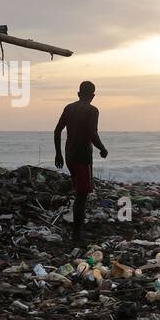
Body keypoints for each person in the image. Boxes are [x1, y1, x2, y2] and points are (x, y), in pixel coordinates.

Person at [54, 81, 108, 243]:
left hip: (69, 155)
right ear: (92, 95)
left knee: (78, 192)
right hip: (83, 157)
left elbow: (57, 131)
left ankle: (77, 232)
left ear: (78, 94)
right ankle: (77, 235)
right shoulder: (92, 110)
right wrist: (102, 149)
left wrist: (58, 154)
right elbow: (92, 133)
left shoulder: (69, 108)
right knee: (81, 196)